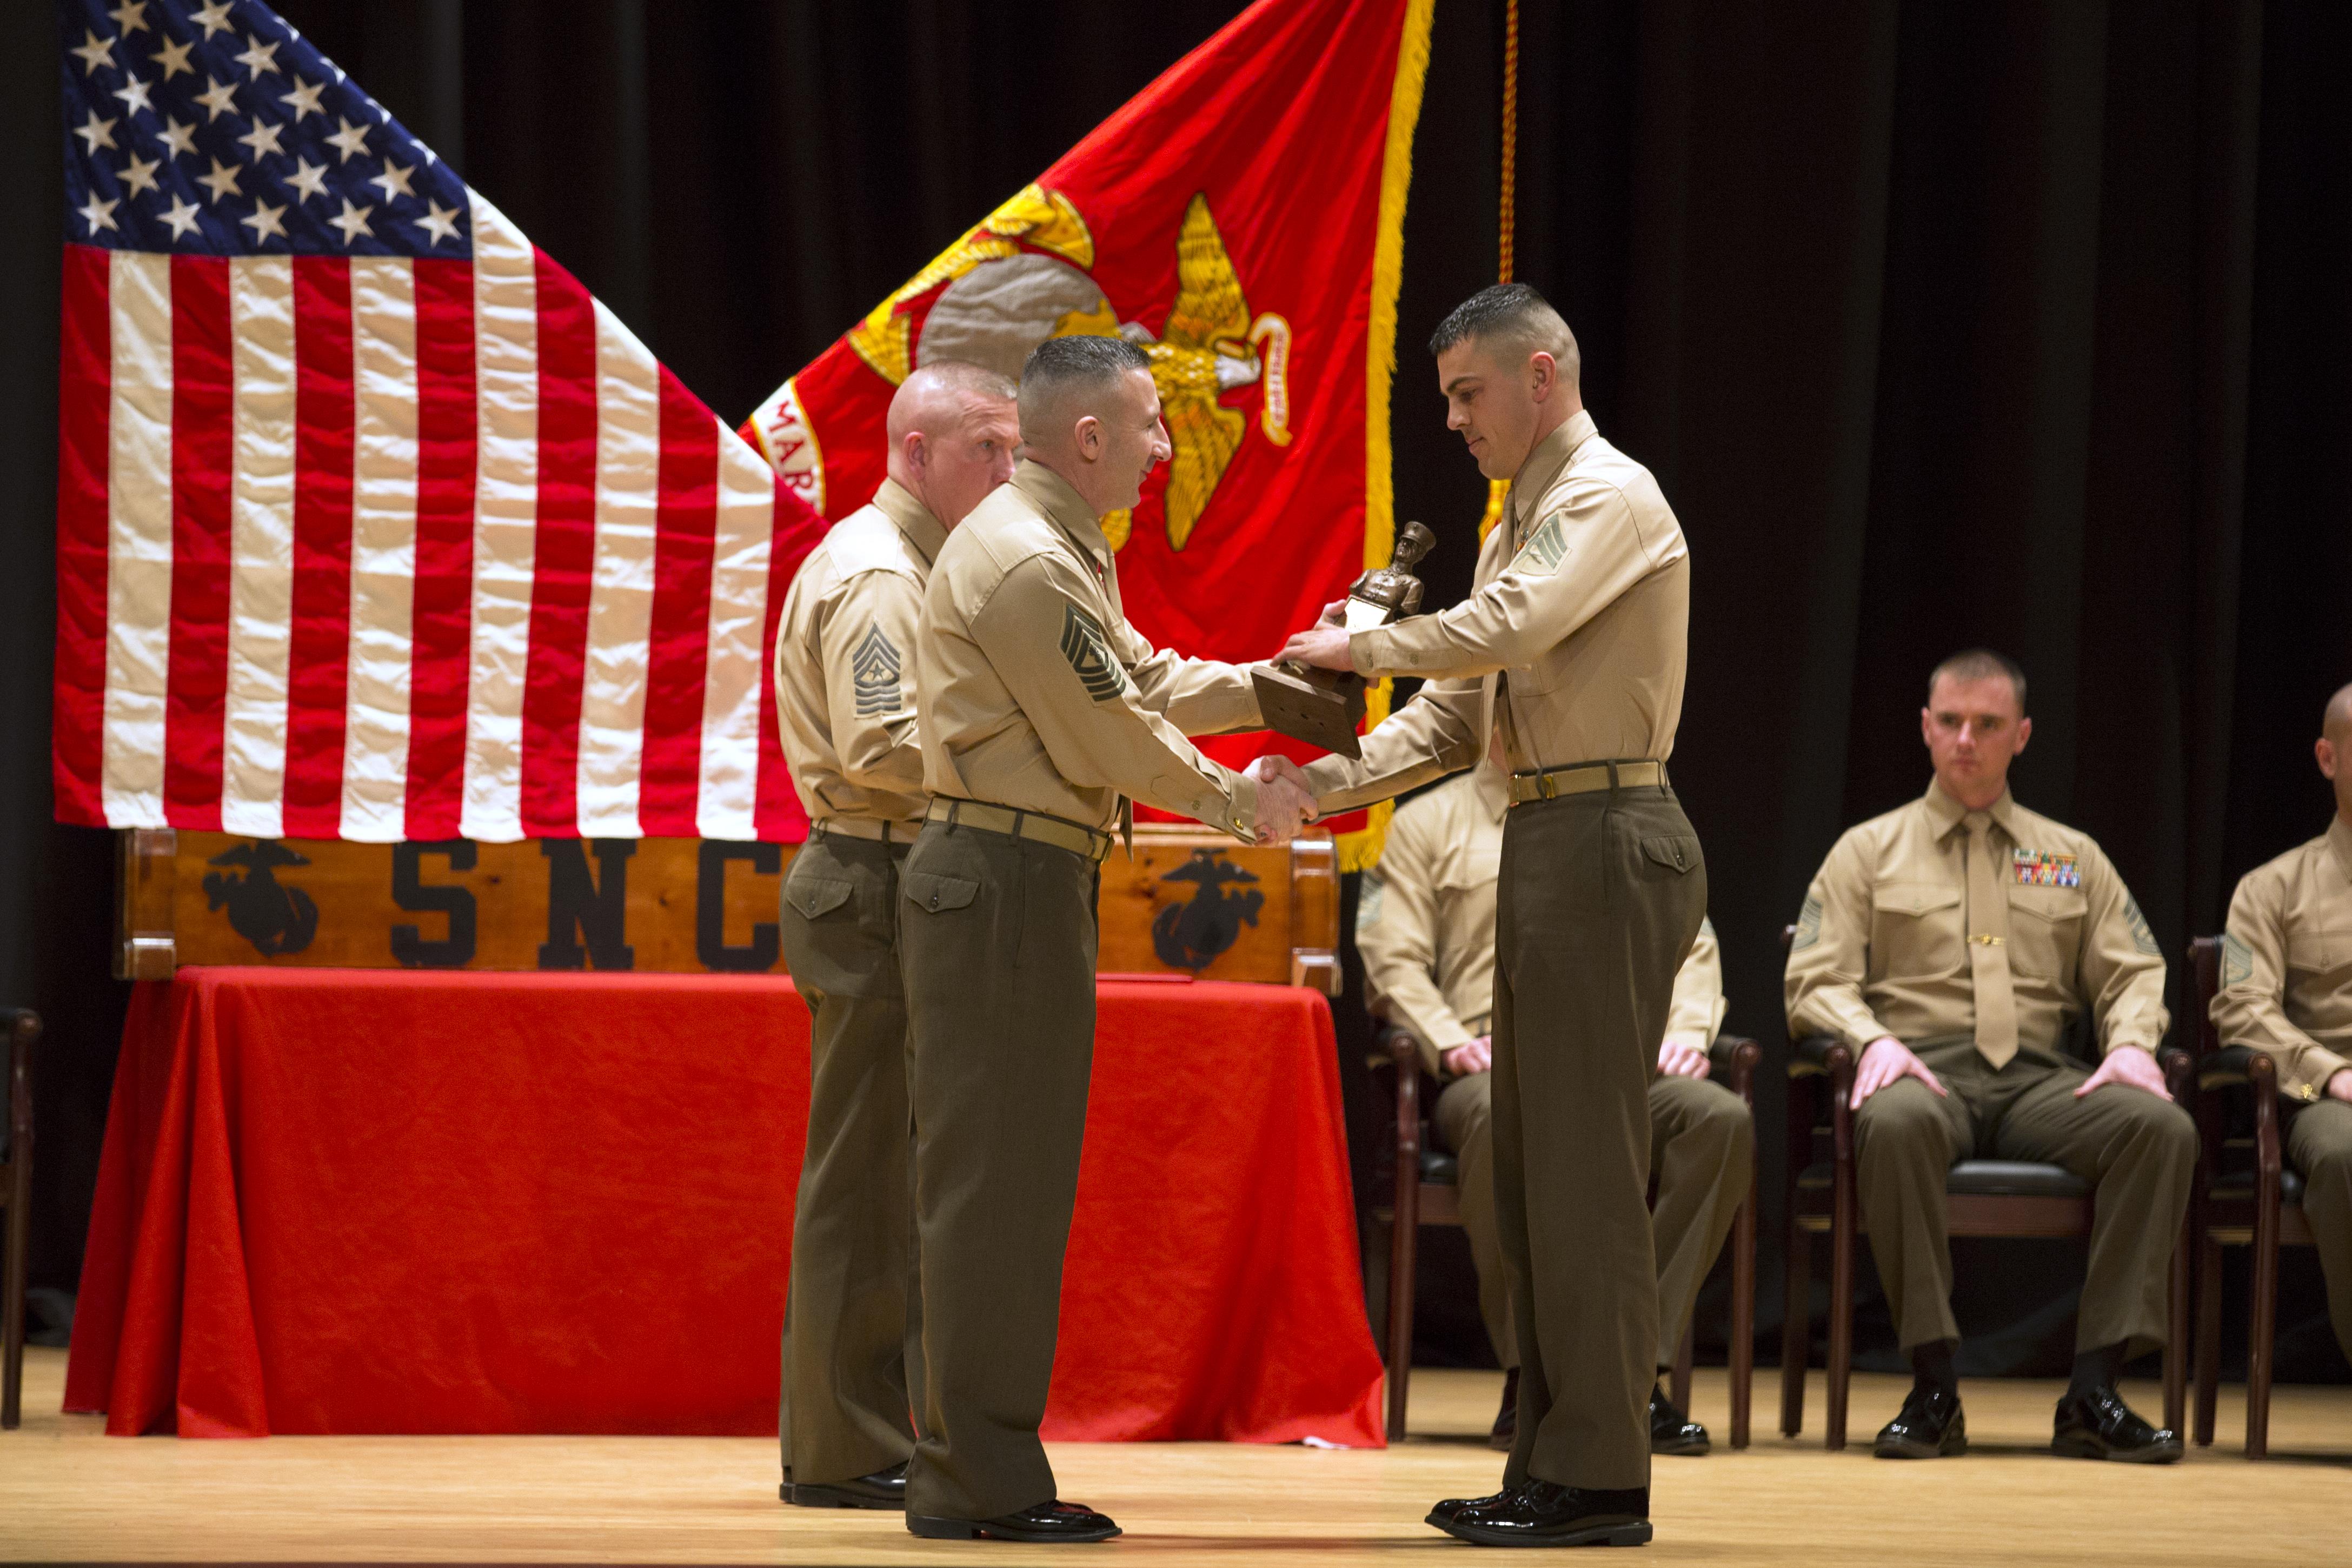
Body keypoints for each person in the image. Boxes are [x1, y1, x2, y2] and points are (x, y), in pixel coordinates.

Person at [1266, 282, 1703, 1548]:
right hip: (1549, 832)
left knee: (1583, 1179)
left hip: (1607, 832)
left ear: (1544, 374)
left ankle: (1602, 1477)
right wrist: (1317, 786)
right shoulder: (1519, 520)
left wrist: (1359, 649)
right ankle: (1551, 1464)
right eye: (1447, 397)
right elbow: (1459, 721)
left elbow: (1504, 629)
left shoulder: (1605, 496)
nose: (1453, 420)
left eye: (1468, 393)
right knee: (1532, 1176)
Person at [896, 334, 1314, 1543]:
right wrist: (1245, 801)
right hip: (1003, 884)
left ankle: (974, 1465)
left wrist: (1278, 683)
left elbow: (1140, 682)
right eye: (1150, 425)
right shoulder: (1029, 558)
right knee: (994, 1193)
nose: (1166, 445)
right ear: (1089, 439)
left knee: (1010, 1187)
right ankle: (981, 1475)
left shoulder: (1055, 544)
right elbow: (1113, 736)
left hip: (1021, 880)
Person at [1784, 649, 2193, 1464]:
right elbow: (1812, 979)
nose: (1965, 739)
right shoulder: (1868, 851)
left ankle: (2093, 1391)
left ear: (2022, 736)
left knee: (2160, 1128)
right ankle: (1933, 1386)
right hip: (1921, 1069)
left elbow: (2134, 972)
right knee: (1890, 1123)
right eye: (1950, 722)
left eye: (1987, 724)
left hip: (2040, 1079)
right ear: (1925, 729)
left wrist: (2133, 1048)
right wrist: (1875, 1042)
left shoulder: (2070, 854)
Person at [770, 362, 1019, 1510]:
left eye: (1016, 450)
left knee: (896, 1172)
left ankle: (871, 1433)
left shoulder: (918, 561)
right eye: (988, 450)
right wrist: (1025, 780)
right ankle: (842, 1447)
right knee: (865, 1179)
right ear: (914, 452)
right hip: (874, 872)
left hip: (888, 869)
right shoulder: (879, 573)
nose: (1009, 472)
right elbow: (884, 749)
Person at [1357, 752, 1749, 1457]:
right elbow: (1391, 956)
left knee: (1718, 1121)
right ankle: (1529, 1377)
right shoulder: (1424, 823)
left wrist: (1688, 1032)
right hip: (1487, 1055)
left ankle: (1629, 1372)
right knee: (1496, 1114)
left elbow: (1689, 939)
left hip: (1616, 1052)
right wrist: (1446, 1040)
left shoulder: (1623, 811)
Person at [2211, 681, 2352, 1364]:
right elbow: (2240, 1006)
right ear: (2328, 758)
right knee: (2348, 1152)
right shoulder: (2272, 888)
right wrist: (2334, 1073)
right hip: (2322, 1093)